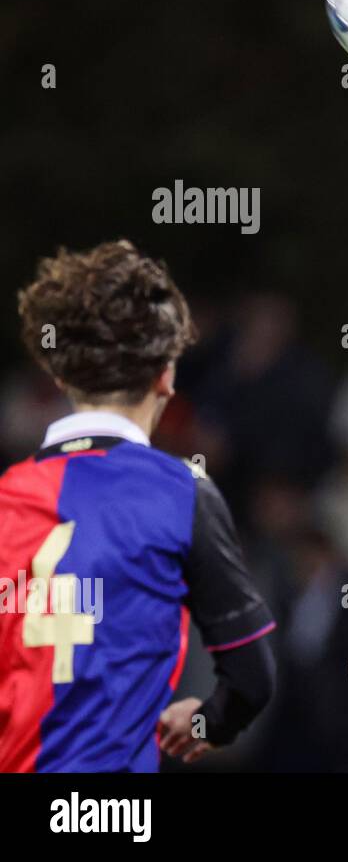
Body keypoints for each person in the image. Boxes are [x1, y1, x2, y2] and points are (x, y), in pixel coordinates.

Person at [0, 240, 276, 771]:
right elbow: (252, 676)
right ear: (167, 376)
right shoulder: (183, 491)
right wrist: (209, 721)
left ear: (59, 375)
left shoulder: (8, 496)